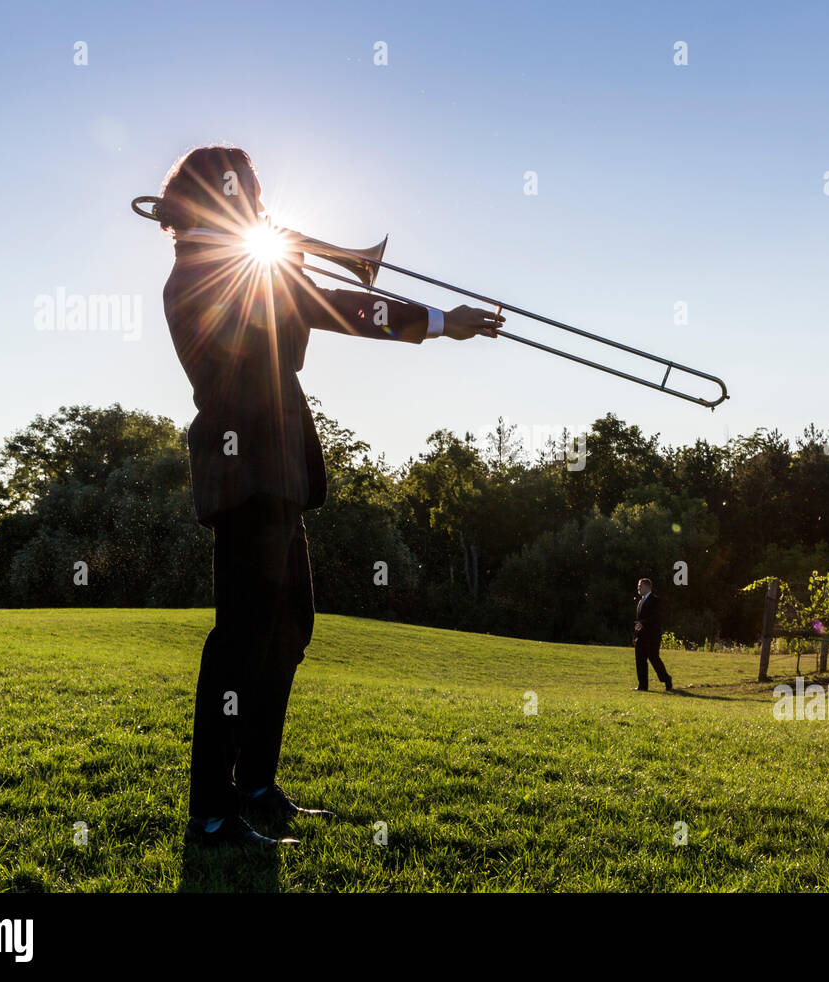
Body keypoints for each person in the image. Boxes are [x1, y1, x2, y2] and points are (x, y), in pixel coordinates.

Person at [158, 145, 502, 848]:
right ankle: (210, 814)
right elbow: (336, 307)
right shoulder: (200, 274)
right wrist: (437, 321)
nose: (261, 205)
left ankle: (253, 783)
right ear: (224, 198)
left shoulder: (244, 264)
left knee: (288, 633)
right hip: (244, 469)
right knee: (240, 643)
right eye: (250, 195)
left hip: (277, 469)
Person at [632, 577, 673, 692]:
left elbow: (656, 618)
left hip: (652, 637)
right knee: (640, 662)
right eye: (638, 586)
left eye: (641, 586)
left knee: (654, 660)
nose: (638, 588)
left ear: (648, 587)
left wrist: (643, 623)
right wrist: (635, 636)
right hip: (641, 637)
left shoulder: (655, 600)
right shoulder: (640, 601)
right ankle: (642, 686)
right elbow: (639, 620)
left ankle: (666, 678)